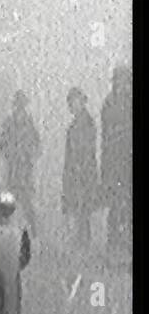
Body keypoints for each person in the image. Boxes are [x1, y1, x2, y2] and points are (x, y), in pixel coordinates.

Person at [100, 66, 131, 257]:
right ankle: (113, 245)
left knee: (127, 206)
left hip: (128, 162)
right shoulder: (110, 104)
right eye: (120, 81)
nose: (123, 85)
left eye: (126, 81)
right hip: (114, 163)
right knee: (115, 204)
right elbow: (107, 135)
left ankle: (126, 245)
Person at [62, 87, 98, 250]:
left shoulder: (86, 122)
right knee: (77, 205)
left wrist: (80, 167)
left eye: (75, 101)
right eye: (71, 102)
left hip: (83, 170)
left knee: (83, 206)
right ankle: (81, 240)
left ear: (82, 102)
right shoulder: (76, 124)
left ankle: (83, 242)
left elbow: (86, 148)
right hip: (75, 170)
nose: (73, 105)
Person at [0, 91, 40, 230]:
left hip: (24, 172)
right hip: (11, 171)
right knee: (7, 203)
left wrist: (27, 155)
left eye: (22, 106)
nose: (20, 109)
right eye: (18, 105)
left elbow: (37, 146)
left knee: (26, 203)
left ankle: (34, 231)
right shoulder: (9, 123)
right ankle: (4, 230)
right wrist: (10, 152)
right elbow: (1, 144)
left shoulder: (29, 124)